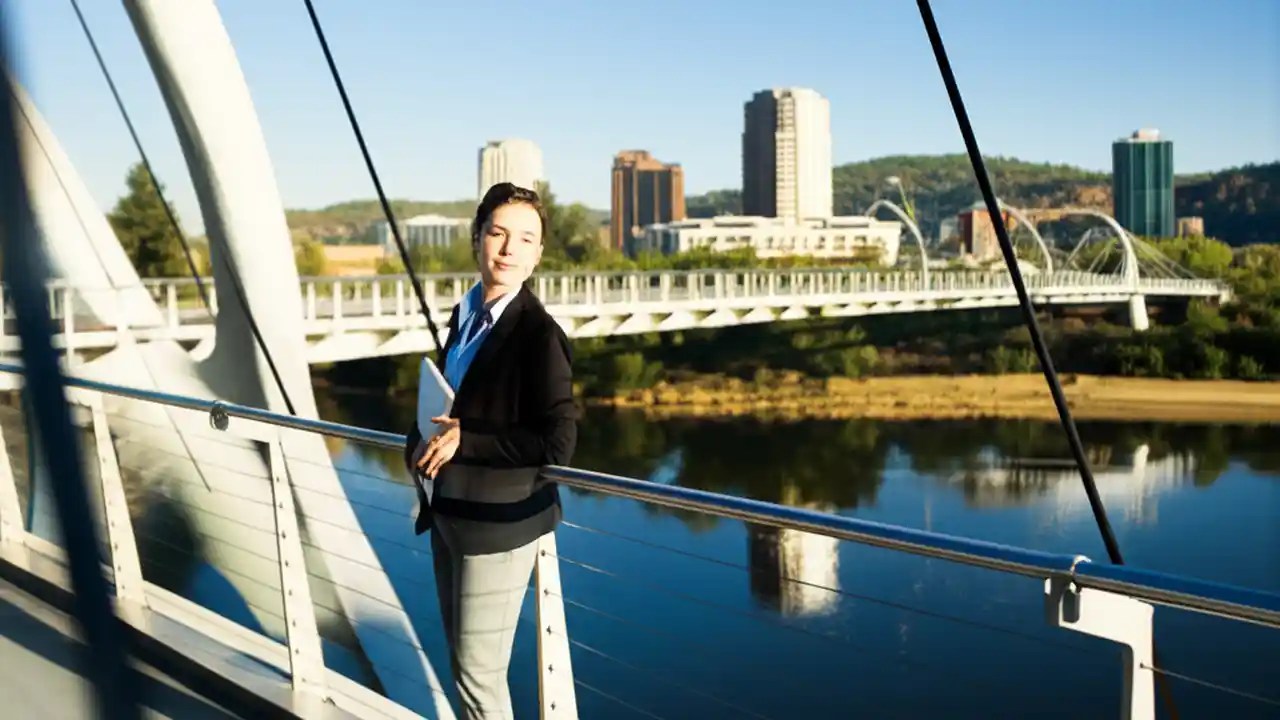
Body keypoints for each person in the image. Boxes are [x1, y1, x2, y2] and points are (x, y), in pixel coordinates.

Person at [403, 182, 575, 720]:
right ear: (477, 238)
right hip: (451, 512)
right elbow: (454, 407)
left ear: (539, 254)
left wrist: (466, 440)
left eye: (526, 239)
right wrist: (419, 443)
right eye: (498, 233)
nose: (509, 249)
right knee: (463, 667)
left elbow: (557, 442)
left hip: (499, 525)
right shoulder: (466, 316)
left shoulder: (538, 334)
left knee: (479, 679)